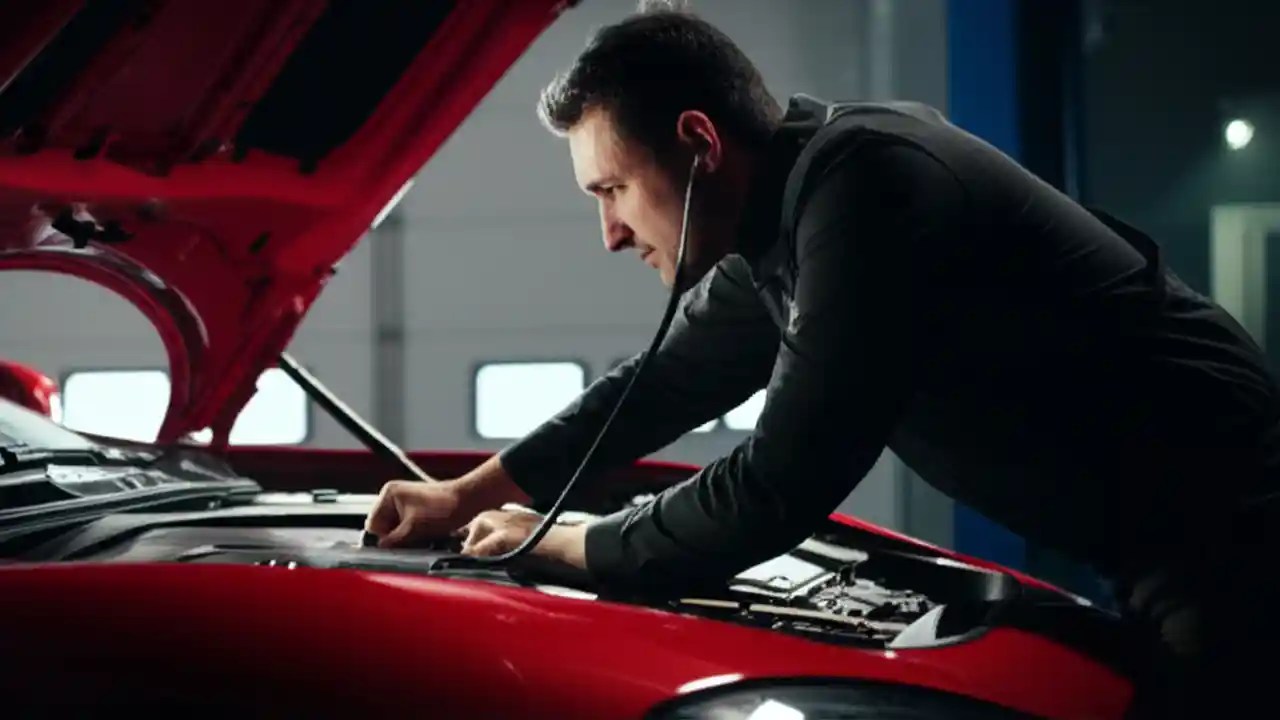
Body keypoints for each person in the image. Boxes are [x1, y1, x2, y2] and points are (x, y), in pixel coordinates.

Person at [365, 4, 1280, 716]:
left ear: (697, 144)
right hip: (1163, 543)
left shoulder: (870, 189)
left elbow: (782, 481)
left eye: (611, 189)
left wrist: (573, 546)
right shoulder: (788, 220)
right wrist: (464, 495)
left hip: (1238, 535)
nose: (607, 233)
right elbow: (657, 387)